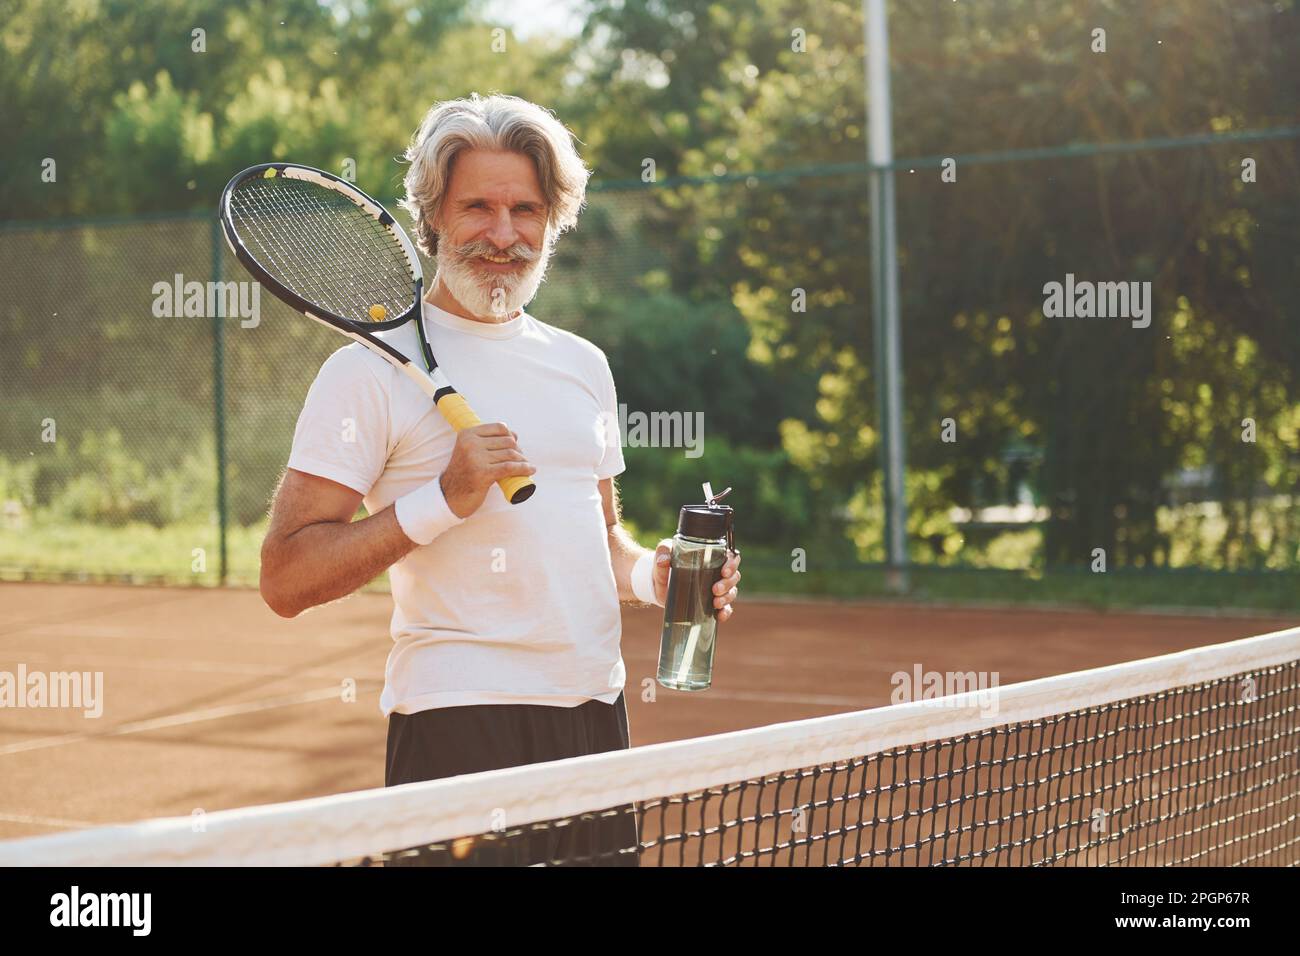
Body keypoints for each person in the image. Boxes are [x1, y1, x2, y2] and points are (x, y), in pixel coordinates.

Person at [258, 93, 742, 864]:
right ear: (432, 217)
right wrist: (441, 501)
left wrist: (652, 577)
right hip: (457, 720)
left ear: (553, 221)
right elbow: (286, 577)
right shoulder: (364, 374)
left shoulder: (583, 365)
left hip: (594, 720)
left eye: (526, 210)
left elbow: (600, 536)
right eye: (477, 207)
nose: (504, 234)